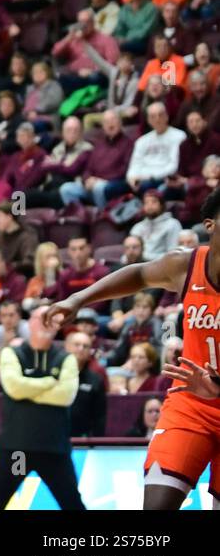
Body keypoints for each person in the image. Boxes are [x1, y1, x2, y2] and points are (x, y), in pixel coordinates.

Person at [48, 184, 220, 508]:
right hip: (190, 406)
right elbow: (139, 274)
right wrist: (78, 298)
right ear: (210, 224)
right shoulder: (185, 265)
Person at [0, 306, 85, 510]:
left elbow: (65, 396)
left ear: (58, 325)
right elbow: (14, 388)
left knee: (73, 505)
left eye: (52, 318)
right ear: (29, 323)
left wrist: (28, 387)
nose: (47, 322)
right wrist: (49, 382)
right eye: (41, 318)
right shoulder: (12, 353)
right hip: (16, 449)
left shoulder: (67, 358)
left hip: (53, 449)